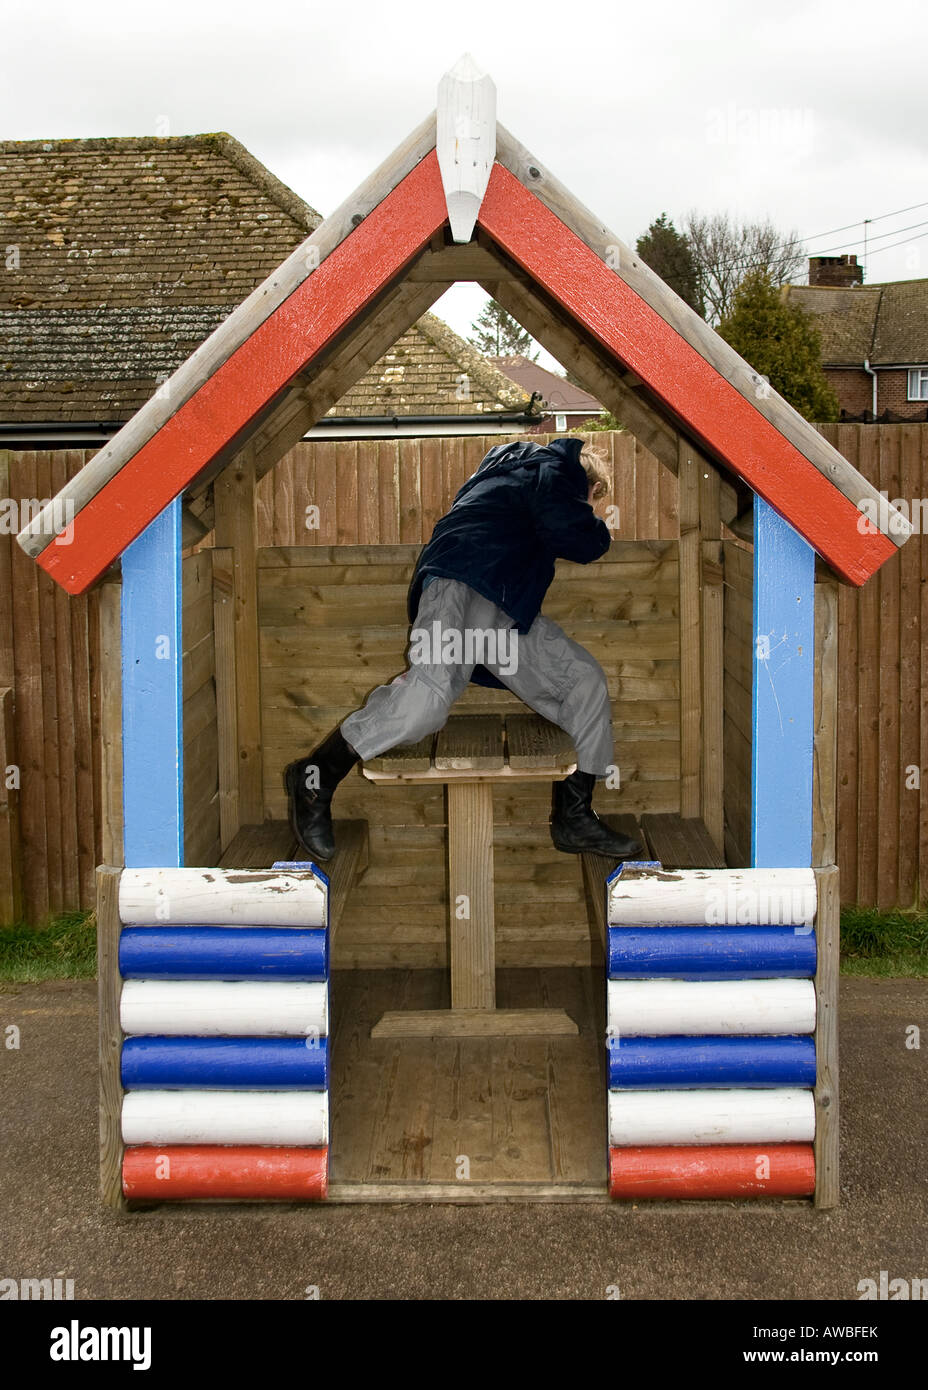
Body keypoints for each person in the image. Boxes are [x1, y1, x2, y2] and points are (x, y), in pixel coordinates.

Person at [284, 436, 642, 863]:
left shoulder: (507, 475)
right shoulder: (555, 464)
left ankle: (574, 816)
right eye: (593, 498)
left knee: (583, 682)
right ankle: (315, 775)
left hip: (501, 607)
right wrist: (598, 530)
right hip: (460, 584)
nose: (589, 505)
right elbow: (574, 533)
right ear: (588, 483)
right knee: (427, 701)